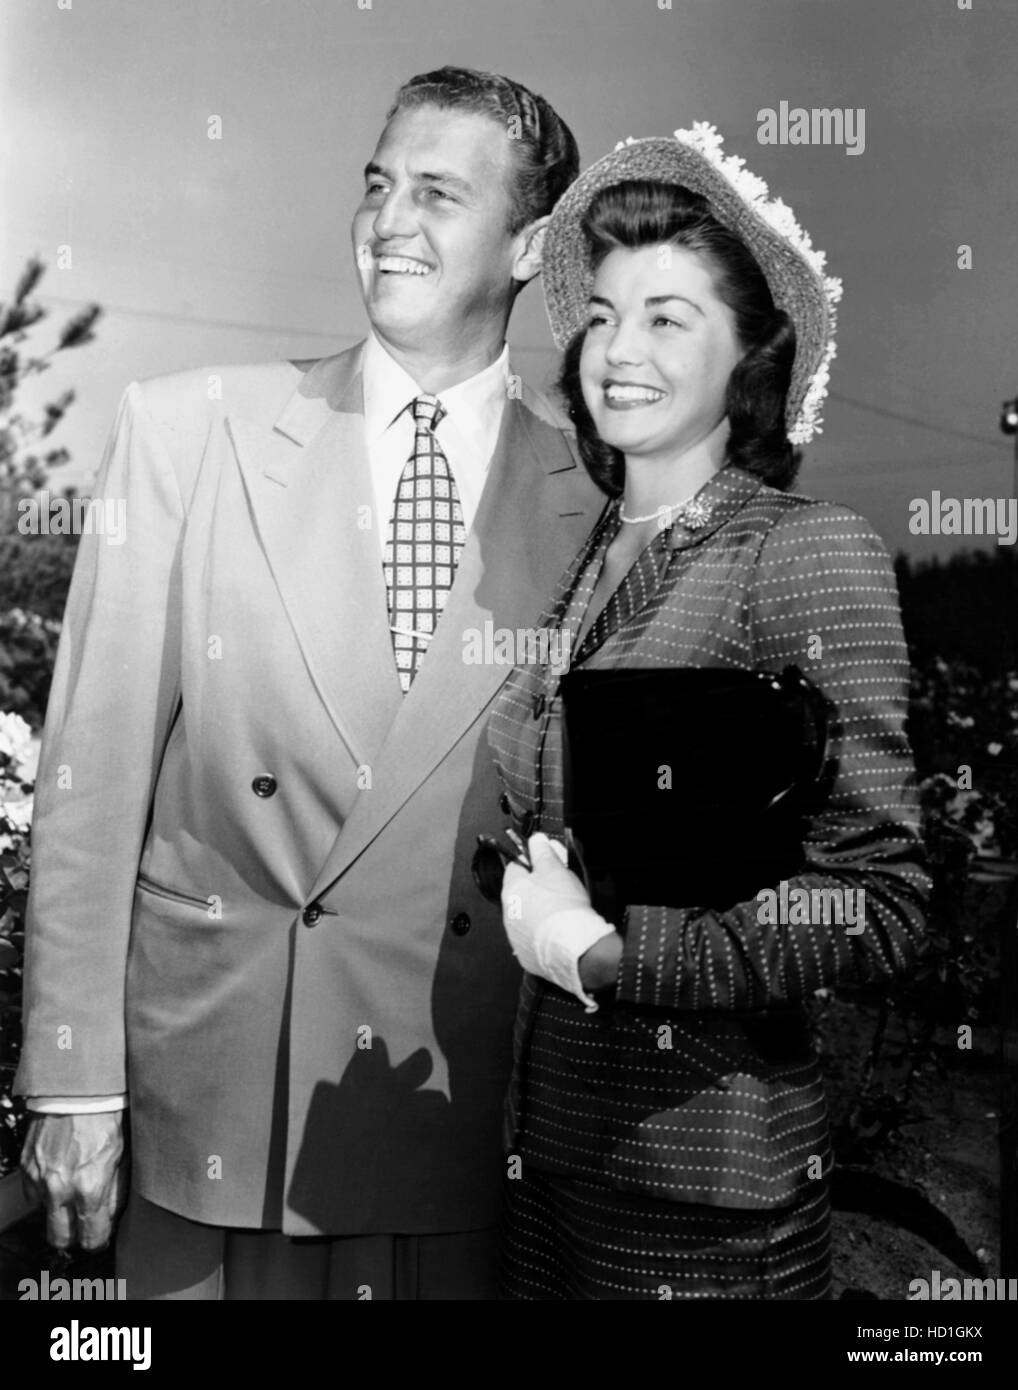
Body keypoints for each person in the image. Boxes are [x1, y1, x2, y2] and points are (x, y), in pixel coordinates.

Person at [15, 66, 603, 1300]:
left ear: (530, 245)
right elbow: (90, 779)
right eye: (379, 184)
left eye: (439, 193)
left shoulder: (602, 506)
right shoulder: (185, 432)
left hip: (457, 1125)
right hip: (210, 1120)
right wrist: (73, 1080)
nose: (390, 222)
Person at [487, 125, 930, 1299]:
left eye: (668, 318)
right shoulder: (582, 556)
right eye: (604, 314)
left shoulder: (802, 551)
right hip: (549, 1165)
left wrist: (619, 953)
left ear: (750, 361)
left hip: (702, 1195)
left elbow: (879, 901)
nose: (617, 350)